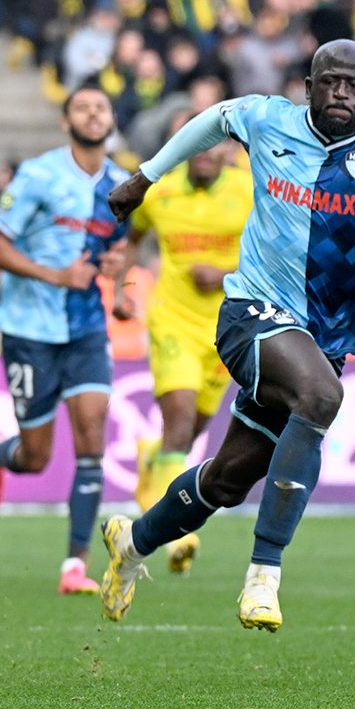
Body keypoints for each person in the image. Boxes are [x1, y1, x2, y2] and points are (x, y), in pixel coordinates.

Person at [99, 40, 355, 631]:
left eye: (354, 86)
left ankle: (131, 544)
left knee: (227, 479)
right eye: (329, 81)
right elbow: (213, 120)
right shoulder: (270, 119)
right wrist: (146, 174)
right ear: (308, 86)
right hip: (252, 313)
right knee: (321, 397)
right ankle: (264, 576)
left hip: (321, 341)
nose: (341, 93)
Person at [0, 84, 129, 595]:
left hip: (86, 329)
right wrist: (54, 275)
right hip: (29, 332)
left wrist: (121, 286)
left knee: (91, 438)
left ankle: (74, 567)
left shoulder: (124, 185)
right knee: (36, 457)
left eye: (100, 106)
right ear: (66, 121)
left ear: (111, 119)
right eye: (82, 107)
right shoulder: (39, 175)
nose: (92, 113)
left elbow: (119, 250)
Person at [117, 140, 254, 576]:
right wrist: (124, 286)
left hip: (225, 329)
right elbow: (132, 240)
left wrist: (227, 275)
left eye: (211, 149)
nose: (202, 155)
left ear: (225, 155)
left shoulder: (250, 190)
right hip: (171, 321)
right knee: (178, 425)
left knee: (190, 432)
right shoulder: (160, 192)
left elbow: (277, 250)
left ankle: (151, 459)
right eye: (196, 148)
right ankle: (177, 535)